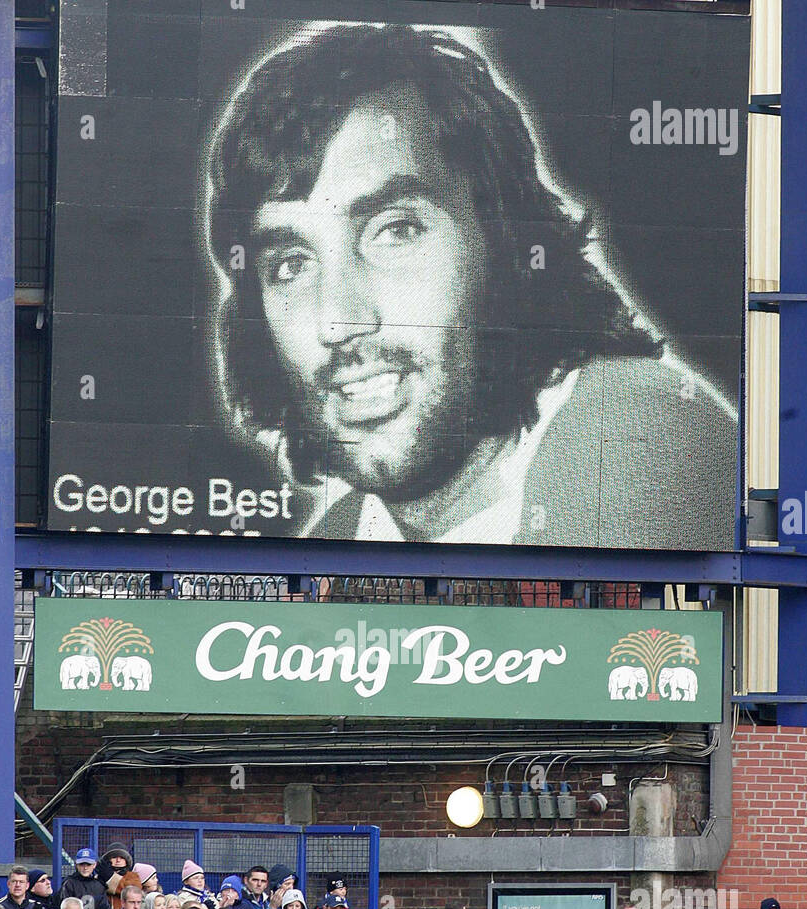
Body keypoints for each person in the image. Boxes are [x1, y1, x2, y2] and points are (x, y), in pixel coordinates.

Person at [204, 23, 733, 547]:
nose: (338, 319)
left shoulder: (636, 429)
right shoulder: (342, 535)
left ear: (503, 238)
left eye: (395, 231)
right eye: (291, 265)